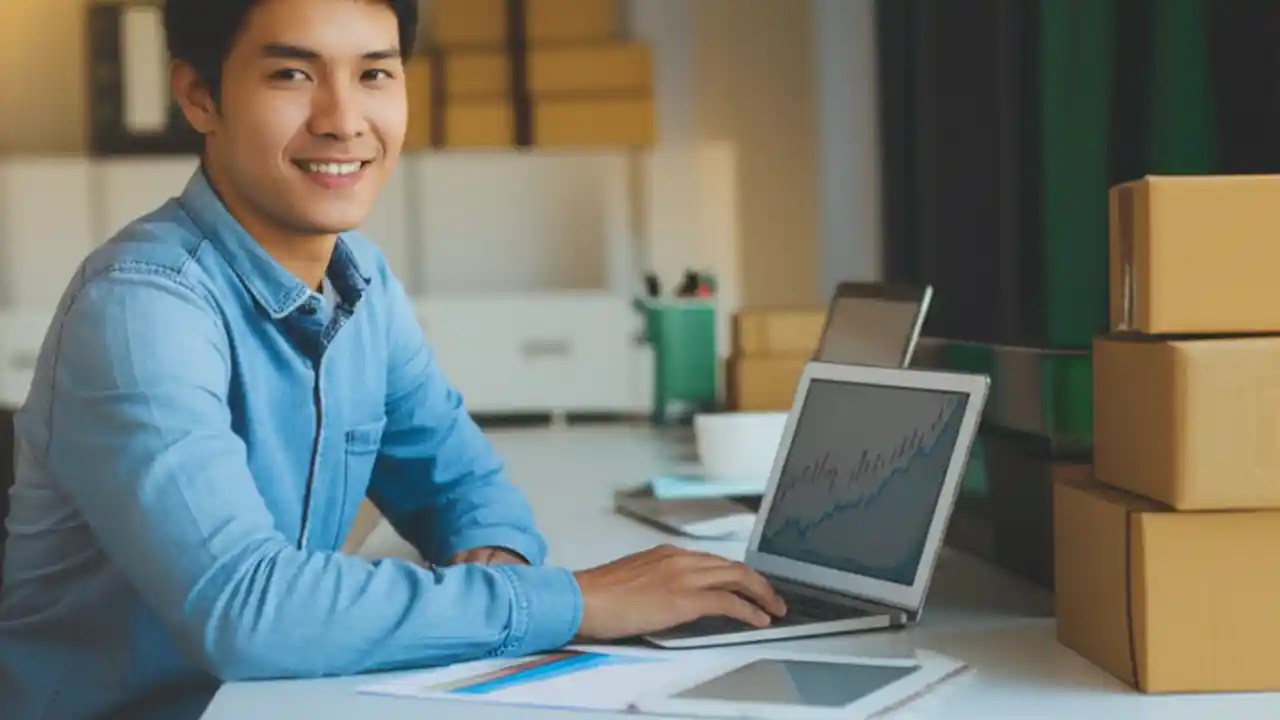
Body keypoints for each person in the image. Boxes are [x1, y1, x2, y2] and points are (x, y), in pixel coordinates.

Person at [0, 1, 786, 718]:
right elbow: (247, 612)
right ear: (201, 95)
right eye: (293, 74)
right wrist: (573, 602)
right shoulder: (141, 307)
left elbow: (467, 489)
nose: (344, 120)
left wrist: (498, 567)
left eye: (375, 73)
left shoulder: (361, 281)